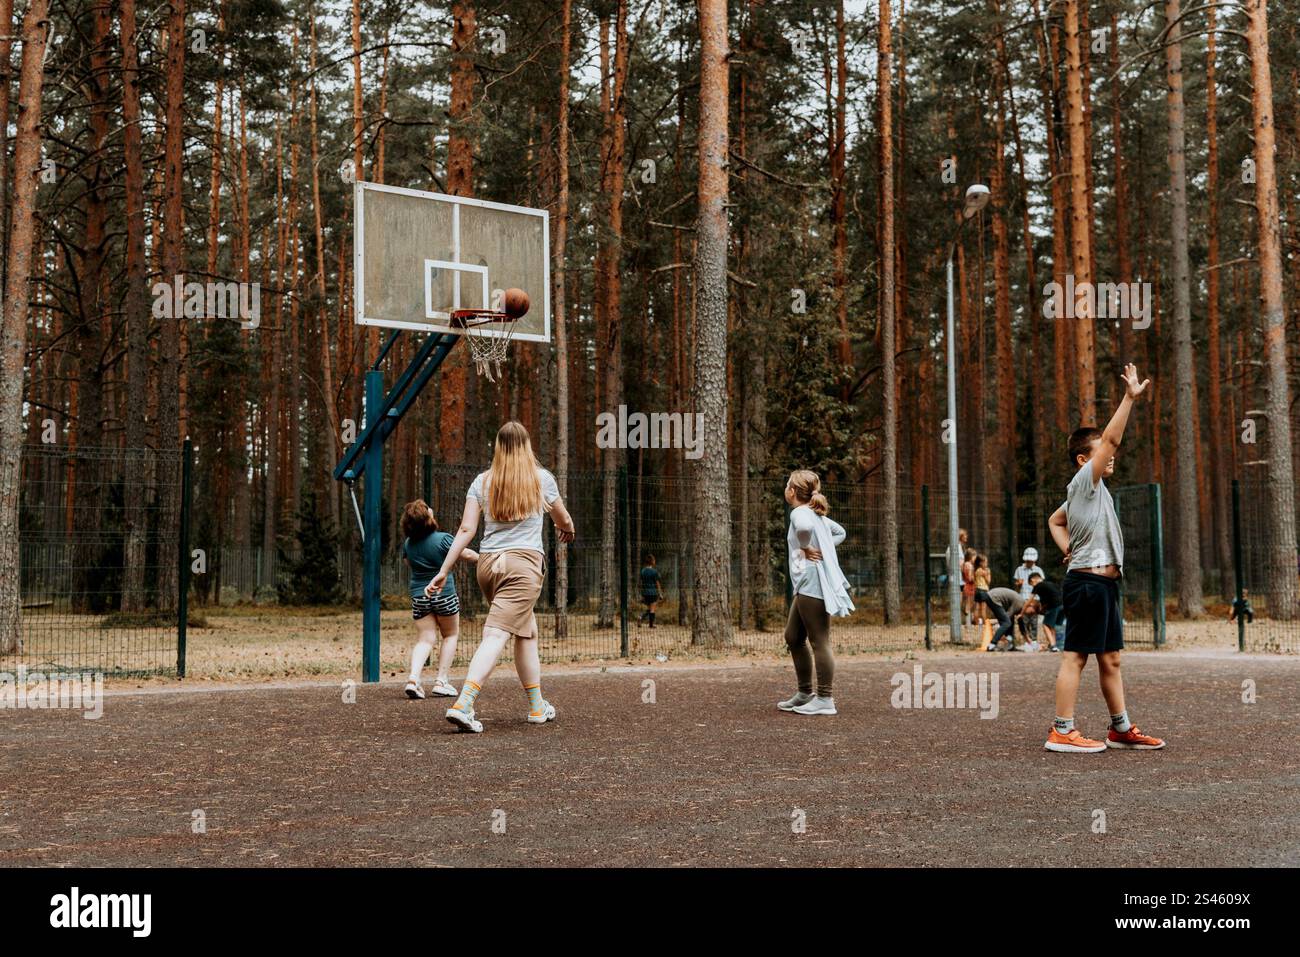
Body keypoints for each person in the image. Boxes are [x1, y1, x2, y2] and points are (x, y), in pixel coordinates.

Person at [1044, 363, 1165, 753]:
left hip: (1103, 585)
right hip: (1087, 585)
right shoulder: (1084, 481)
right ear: (1084, 460)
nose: (1110, 455)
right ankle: (1062, 729)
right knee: (1077, 656)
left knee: (1110, 659)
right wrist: (1129, 398)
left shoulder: (1089, 494)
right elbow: (1111, 440)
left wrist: (1067, 548)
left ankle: (1120, 728)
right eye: (1100, 453)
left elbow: (1055, 520)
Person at [428, 421, 577, 734]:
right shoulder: (542, 479)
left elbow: (467, 530)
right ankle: (464, 703)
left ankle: (537, 707)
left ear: (497, 447)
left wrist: (444, 569)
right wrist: (568, 528)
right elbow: (562, 518)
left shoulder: (482, 481)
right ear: (526, 447)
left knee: (527, 633)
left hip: (489, 566)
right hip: (522, 567)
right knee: (496, 636)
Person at [777, 470, 854, 717]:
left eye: (787, 484)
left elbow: (803, 529)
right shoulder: (815, 513)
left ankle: (824, 698)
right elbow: (840, 533)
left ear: (792, 491)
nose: (786, 487)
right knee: (793, 636)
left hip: (814, 582)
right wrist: (822, 547)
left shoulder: (800, 512)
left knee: (819, 641)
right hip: (806, 584)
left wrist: (806, 546)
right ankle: (805, 693)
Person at [400, 499, 478, 699]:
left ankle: (413, 679)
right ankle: (441, 681)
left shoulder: (408, 544)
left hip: (419, 595)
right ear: (428, 517)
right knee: (450, 635)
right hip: (444, 594)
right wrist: (486, 558)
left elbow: (409, 562)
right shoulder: (443, 539)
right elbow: (466, 554)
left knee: (425, 639)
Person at [1022, 572, 1063, 652]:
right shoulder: (1050, 584)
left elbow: (1029, 601)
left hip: (1054, 606)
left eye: (1031, 584)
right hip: (1062, 605)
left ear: (1033, 580)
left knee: (1045, 625)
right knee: (1052, 626)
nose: (1032, 586)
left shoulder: (1038, 585)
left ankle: (1053, 645)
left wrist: (1022, 612)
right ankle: (1054, 645)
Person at [1013, 547, 1046, 640]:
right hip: (1023, 597)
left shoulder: (1038, 570)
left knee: (1034, 619)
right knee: (1025, 620)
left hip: (1035, 599)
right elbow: (1016, 586)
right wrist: (1018, 584)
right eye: (1027, 560)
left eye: (1031, 560)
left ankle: (1034, 639)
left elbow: (1042, 585)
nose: (1029, 562)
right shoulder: (1019, 569)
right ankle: (1027, 640)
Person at [983, 586, 1024, 651]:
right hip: (993, 598)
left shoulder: (1020, 605)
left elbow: (1020, 622)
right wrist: (1000, 627)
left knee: (1009, 622)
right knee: (1007, 623)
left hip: (993, 597)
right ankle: (991, 645)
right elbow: (1008, 616)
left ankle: (1010, 646)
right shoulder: (1020, 603)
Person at [638, 554, 663, 628]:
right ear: (652, 561)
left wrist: (641, 593)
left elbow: (641, 583)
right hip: (653, 592)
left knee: (649, 609)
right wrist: (660, 593)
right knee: (652, 609)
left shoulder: (643, 571)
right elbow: (657, 583)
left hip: (645, 592)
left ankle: (640, 617)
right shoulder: (654, 572)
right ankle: (651, 625)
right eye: (654, 560)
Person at [961, 548, 977, 626]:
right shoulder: (969, 565)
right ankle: (968, 623)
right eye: (974, 557)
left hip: (966, 585)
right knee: (969, 604)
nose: (975, 558)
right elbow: (970, 577)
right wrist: (976, 578)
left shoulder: (965, 564)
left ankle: (969, 622)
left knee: (969, 604)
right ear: (971, 557)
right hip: (970, 586)